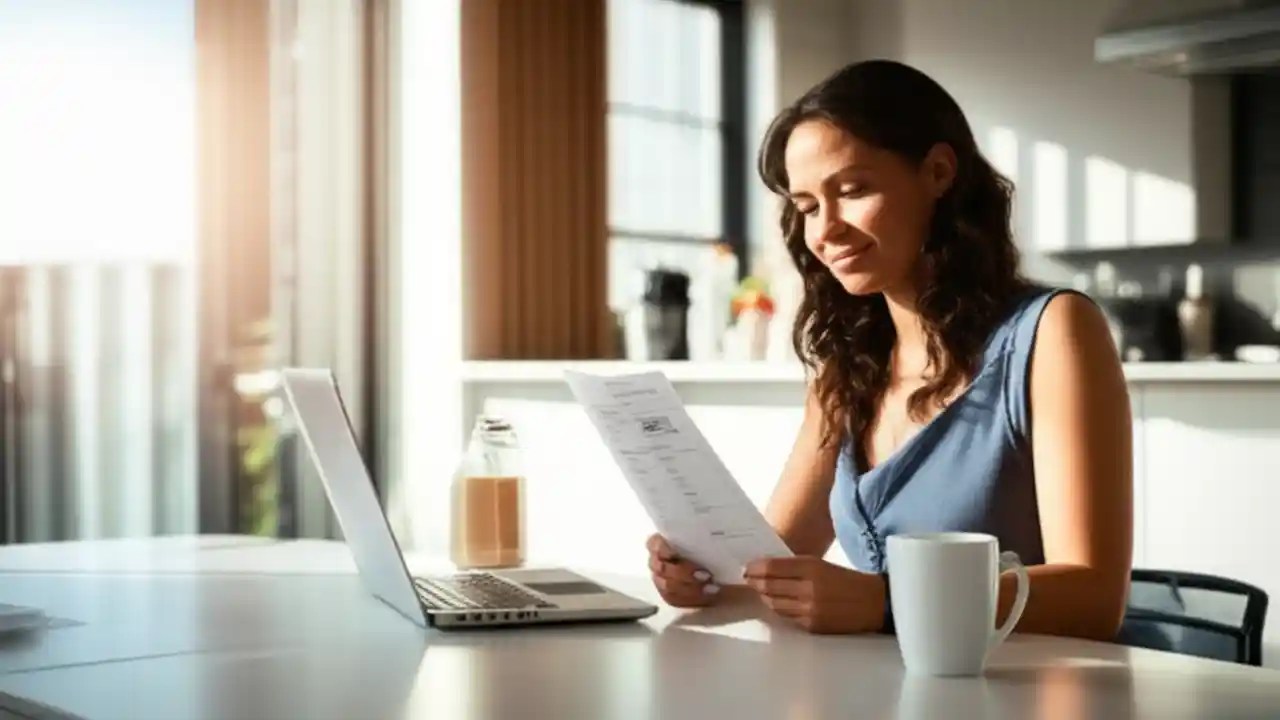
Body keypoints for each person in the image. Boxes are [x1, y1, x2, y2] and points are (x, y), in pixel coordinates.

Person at [646, 59, 1133, 640]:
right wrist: (704, 578)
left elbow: (1095, 597)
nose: (825, 230)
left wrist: (889, 603)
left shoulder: (1053, 331)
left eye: (852, 191)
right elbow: (771, 566)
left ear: (938, 172)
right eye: (805, 207)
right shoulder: (848, 367)